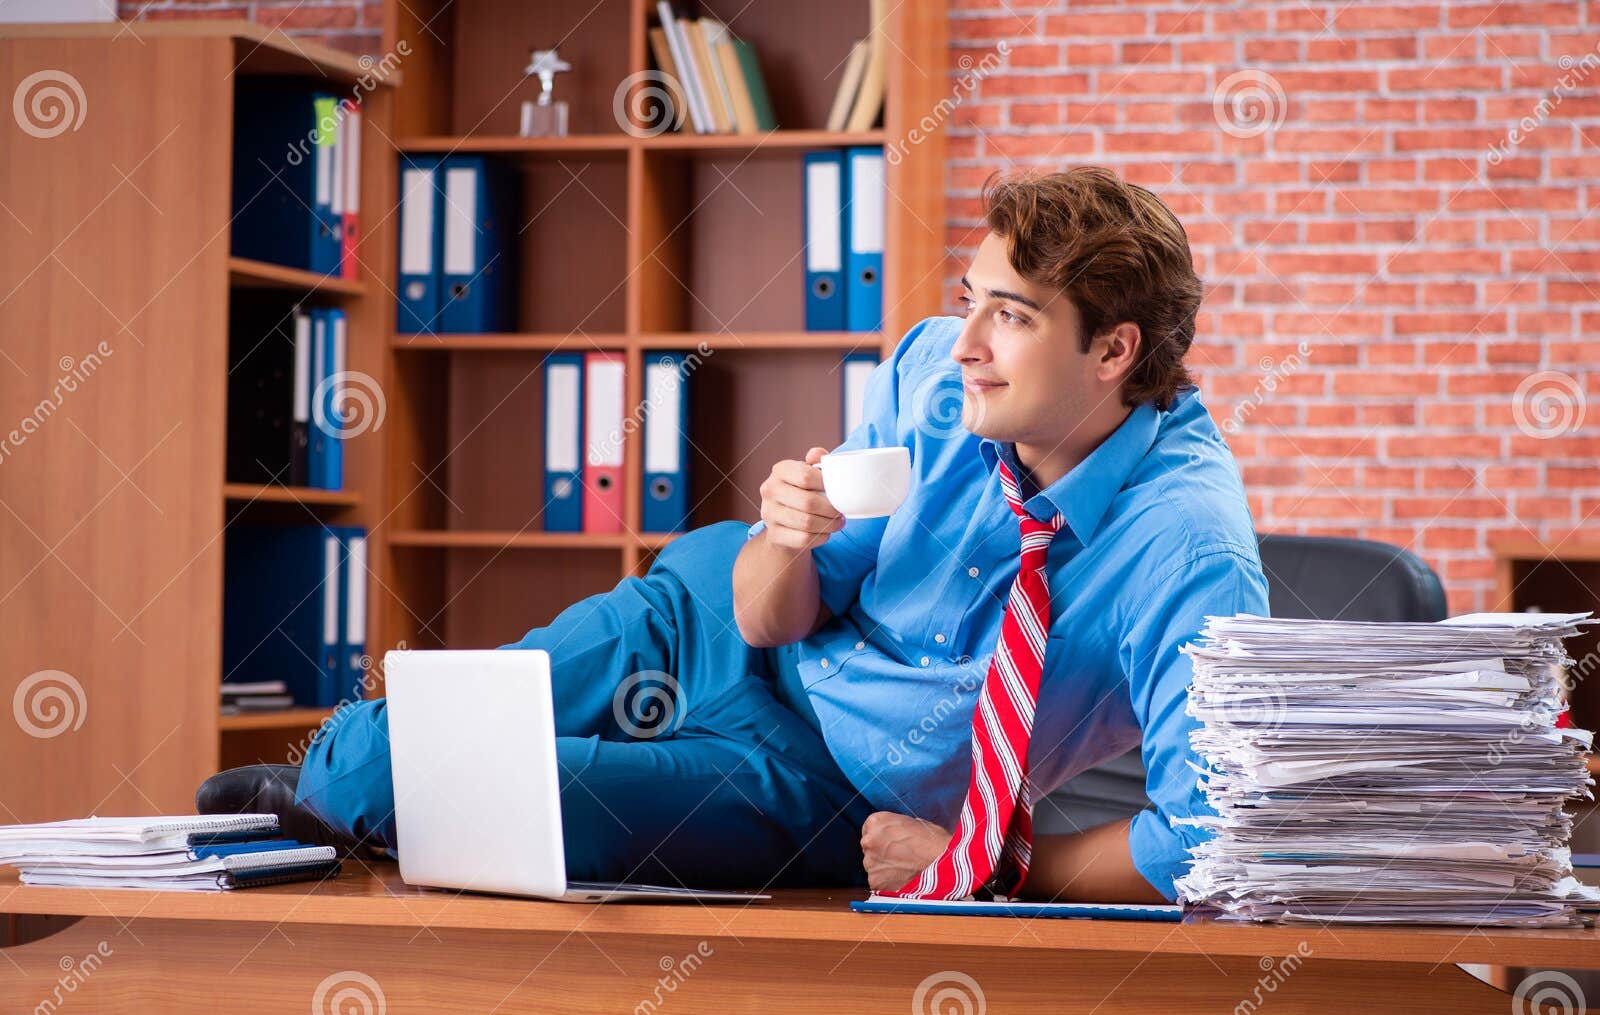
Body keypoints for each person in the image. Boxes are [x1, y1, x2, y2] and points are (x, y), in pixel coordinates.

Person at [291, 165, 1268, 901]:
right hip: (715, 617)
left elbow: (1211, 834)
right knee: (380, 750)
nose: (964, 344)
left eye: (1008, 318)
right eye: (970, 301)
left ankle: (320, 805)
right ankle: (313, 795)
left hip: (822, 786)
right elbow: (770, 617)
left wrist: (996, 863)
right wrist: (786, 538)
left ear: (1112, 349)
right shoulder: (938, 369)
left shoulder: (1187, 550)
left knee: (461, 796)